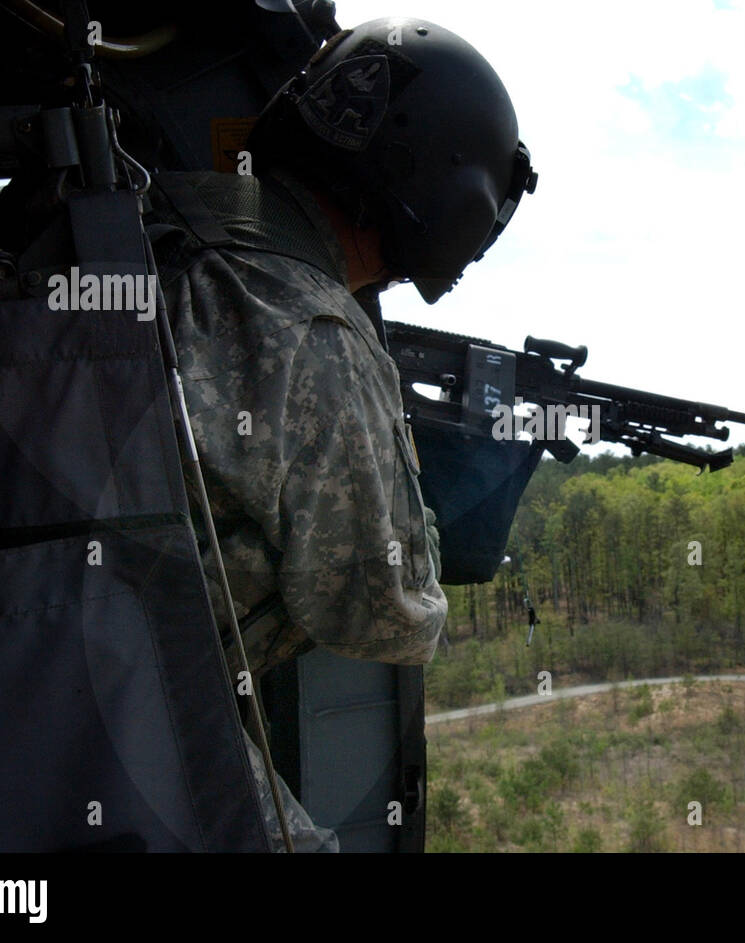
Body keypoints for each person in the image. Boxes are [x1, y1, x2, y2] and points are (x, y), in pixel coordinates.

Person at [143, 16, 536, 851]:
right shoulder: (320, 339)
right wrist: (422, 509)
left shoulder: (157, 218)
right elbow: (388, 619)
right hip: (123, 703)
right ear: (450, 204)